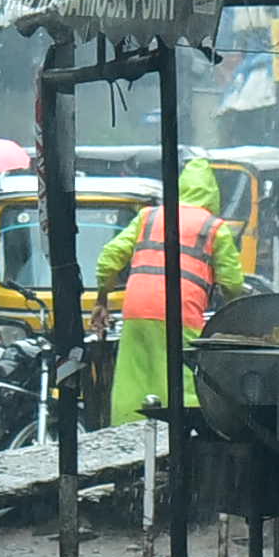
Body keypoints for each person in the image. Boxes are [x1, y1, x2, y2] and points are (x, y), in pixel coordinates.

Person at [96, 156, 245, 429]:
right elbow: (232, 282)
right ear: (212, 195)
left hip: (136, 310)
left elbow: (109, 257)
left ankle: (128, 436)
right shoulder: (213, 226)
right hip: (181, 311)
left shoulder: (149, 217)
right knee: (184, 377)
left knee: (135, 377)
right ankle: (183, 434)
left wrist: (102, 299)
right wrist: (236, 312)